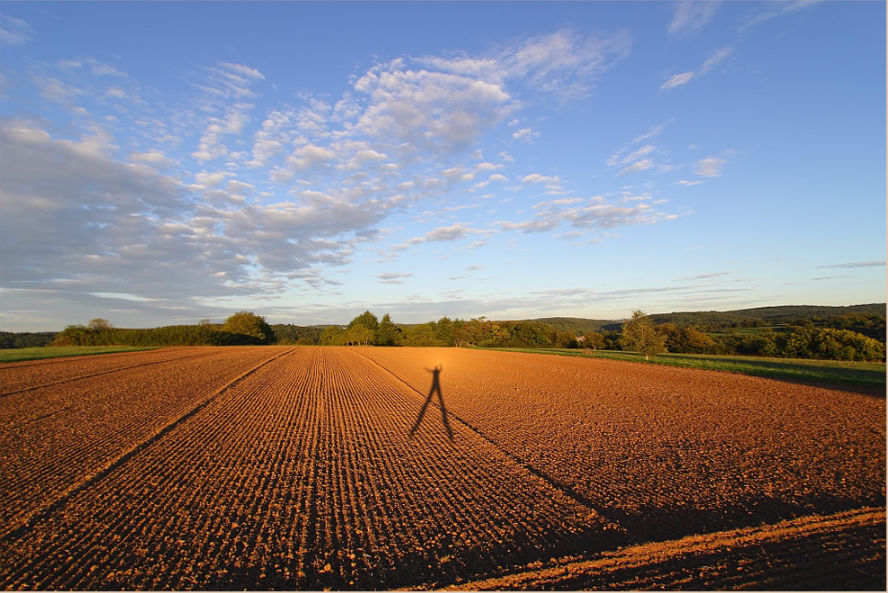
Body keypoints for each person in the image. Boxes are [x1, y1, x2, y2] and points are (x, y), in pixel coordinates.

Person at [409, 365, 454, 440]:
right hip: (437, 385)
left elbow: (430, 370)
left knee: (433, 396)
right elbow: (438, 369)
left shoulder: (435, 371)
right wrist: (440, 366)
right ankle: (439, 403)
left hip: (434, 385)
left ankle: (432, 402)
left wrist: (428, 368)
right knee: (439, 397)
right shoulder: (437, 371)